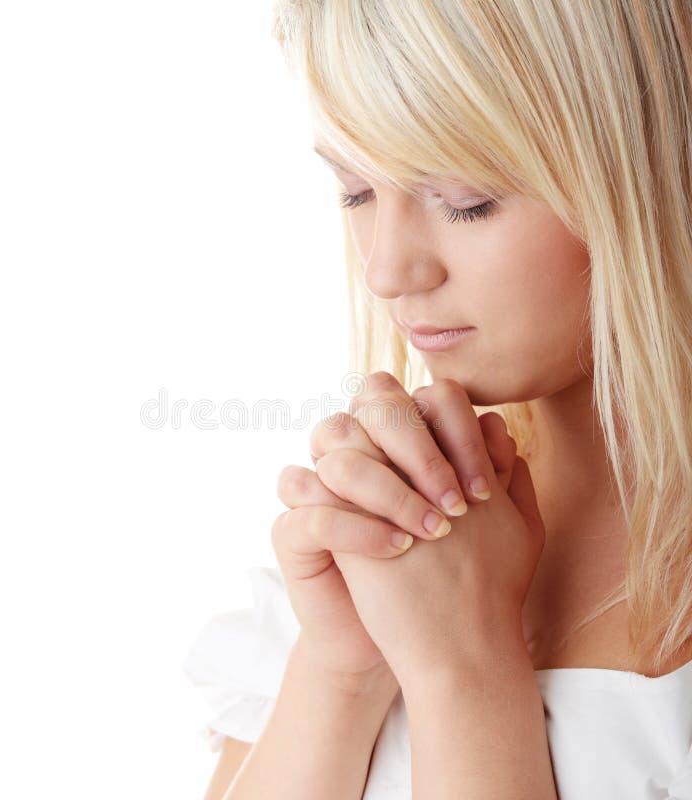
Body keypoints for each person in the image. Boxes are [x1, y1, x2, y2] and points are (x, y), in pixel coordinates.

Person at [183, 1, 692, 797]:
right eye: (356, 191)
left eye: (464, 199)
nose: (386, 271)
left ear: (655, 164)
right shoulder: (389, 524)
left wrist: (463, 671)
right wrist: (342, 668)